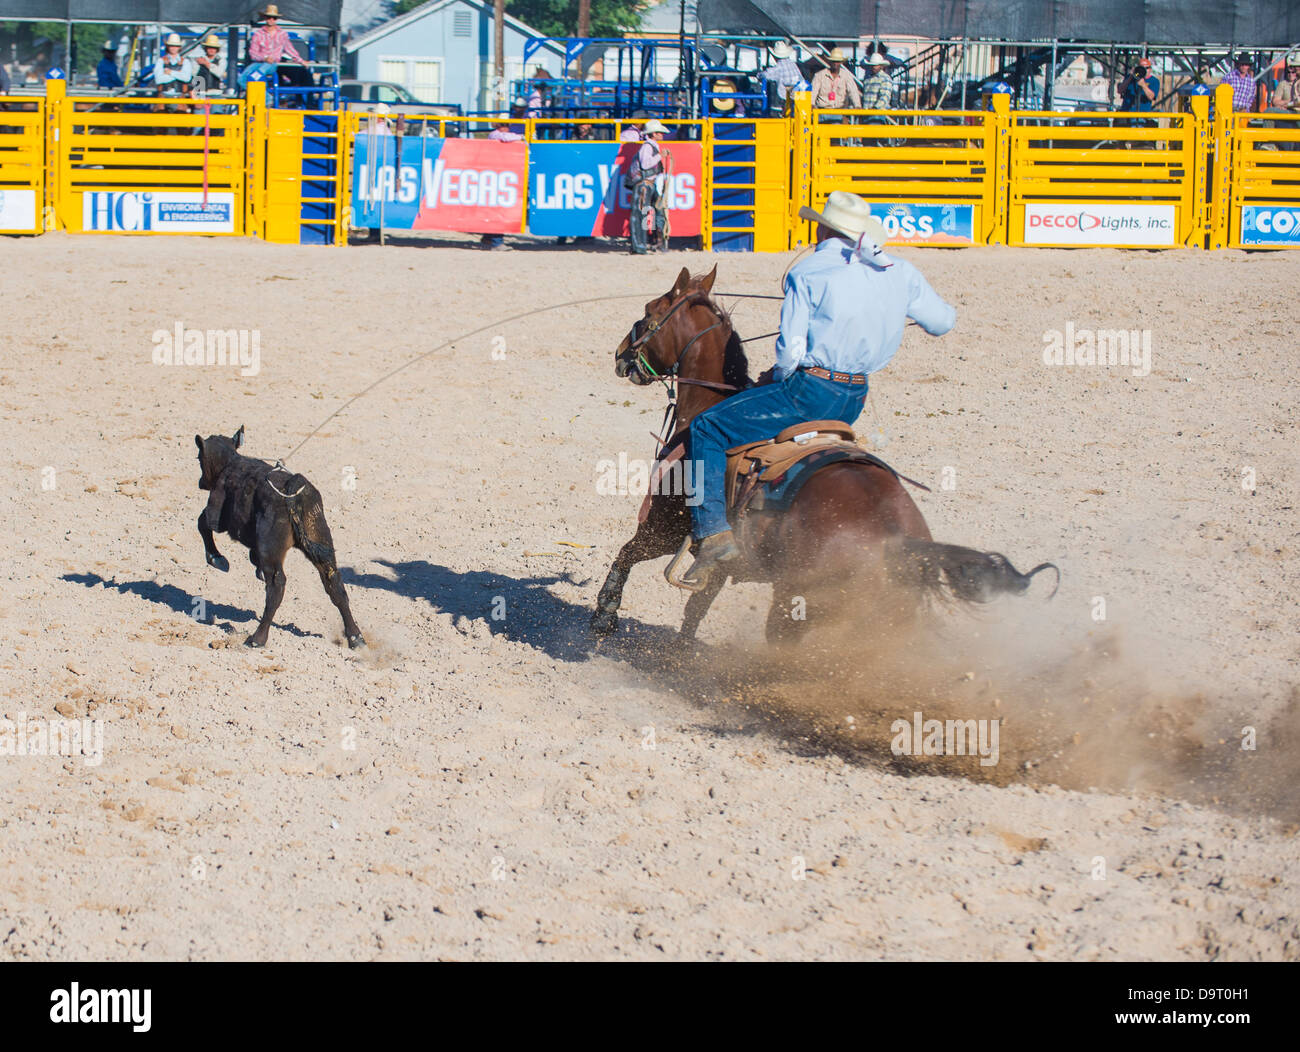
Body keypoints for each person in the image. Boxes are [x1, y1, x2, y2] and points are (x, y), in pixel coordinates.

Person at [679, 191, 956, 587]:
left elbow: (790, 351)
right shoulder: (900, 271)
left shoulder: (808, 272)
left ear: (823, 227)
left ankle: (713, 534)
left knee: (707, 426)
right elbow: (943, 321)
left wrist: (778, 376)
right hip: (854, 397)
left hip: (810, 389)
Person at [241, 5, 309, 89]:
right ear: (265, 18)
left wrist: (300, 60)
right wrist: (265, 58)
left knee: (257, 76)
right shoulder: (258, 34)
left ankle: (264, 98)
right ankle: (266, 97)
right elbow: (253, 53)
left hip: (272, 64)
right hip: (258, 62)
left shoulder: (282, 34)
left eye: (274, 18)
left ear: (276, 19)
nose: (271, 20)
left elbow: (289, 49)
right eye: (269, 17)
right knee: (241, 80)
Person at [627, 118, 669, 255]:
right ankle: (641, 245)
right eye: (659, 132)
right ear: (654, 133)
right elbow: (645, 165)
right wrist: (659, 157)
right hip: (644, 184)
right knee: (642, 214)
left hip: (647, 184)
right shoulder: (647, 147)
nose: (662, 135)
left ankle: (652, 242)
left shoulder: (650, 146)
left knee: (652, 212)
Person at [810, 48, 861, 112]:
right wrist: (811, 104)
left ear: (841, 62)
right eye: (833, 61)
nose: (835, 63)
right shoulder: (819, 75)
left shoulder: (846, 76)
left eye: (838, 61)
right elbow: (813, 92)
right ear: (830, 61)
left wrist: (857, 105)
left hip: (839, 111)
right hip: (822, 111)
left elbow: (853, 91)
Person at [762, 40, 802, 109]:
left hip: (787, 97)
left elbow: (766, 75)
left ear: (774, 56)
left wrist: (759, 74)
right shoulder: (793, 64)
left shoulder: (779, 67)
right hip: (801, 95)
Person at [154, 34, 194, 99]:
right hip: (163, 96)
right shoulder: (160, 61)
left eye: (176, 46)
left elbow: (187, 78)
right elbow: (158, 80)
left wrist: (170, 72)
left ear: (179, 47)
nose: (173, 48)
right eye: (171, 46)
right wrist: (179, 74)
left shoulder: (185, 61)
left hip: (180, 96)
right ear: (168, 47)